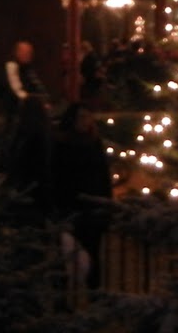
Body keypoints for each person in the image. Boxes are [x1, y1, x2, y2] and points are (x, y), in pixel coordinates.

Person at [52, 102, 114, 289]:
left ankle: (94, 293)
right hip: (70, 206)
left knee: (93, 253)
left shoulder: (94, 142)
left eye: (88, 117)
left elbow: (103, 175)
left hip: (93, 207)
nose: (85, 121)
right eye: (81, 117)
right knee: (66, 254)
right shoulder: (62, 144)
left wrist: (106, 203)